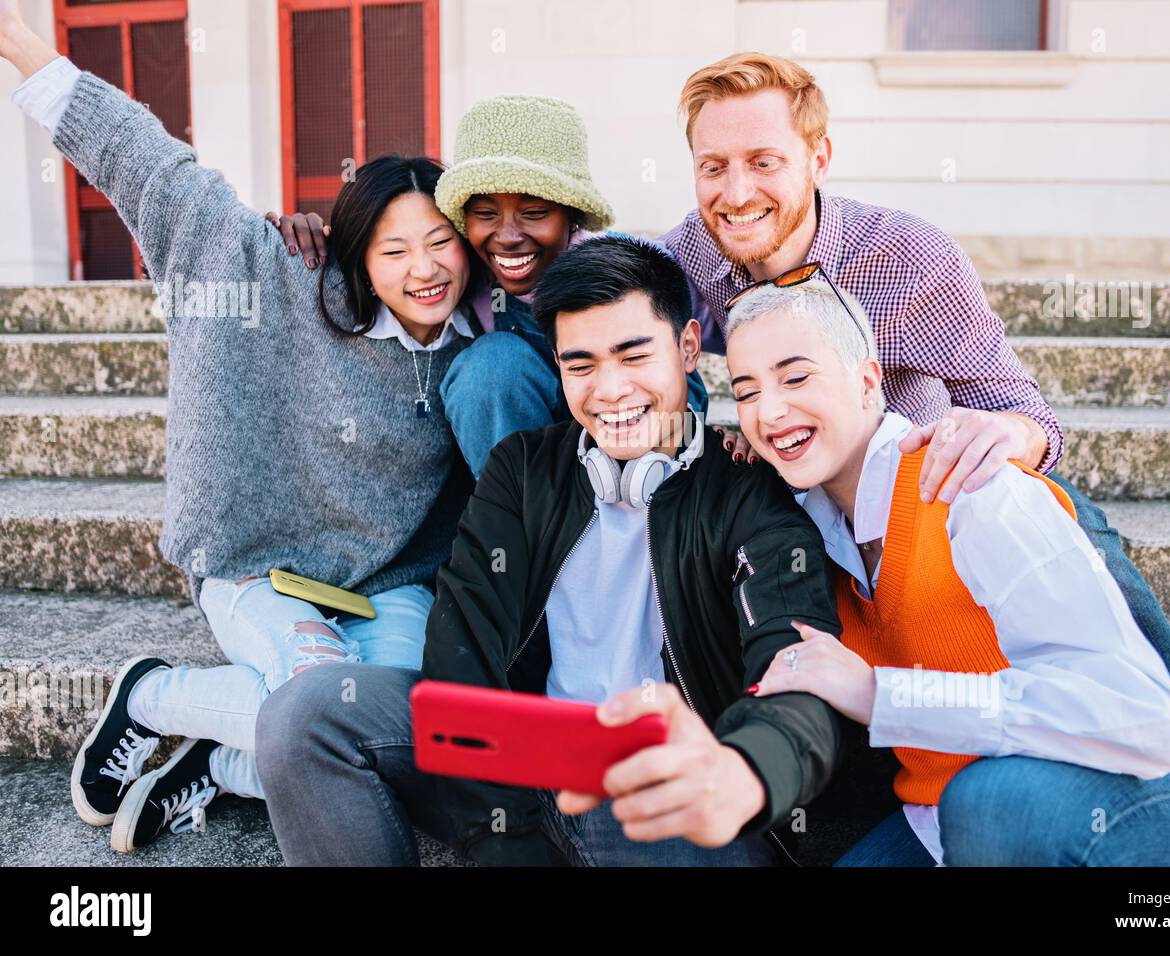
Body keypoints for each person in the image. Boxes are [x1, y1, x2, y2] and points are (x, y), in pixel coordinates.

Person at [0, 5, 479, 852]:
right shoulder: (273, 276)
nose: (424, 268)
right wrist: (18, 41)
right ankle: (154, 696)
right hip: (260, 566)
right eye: (395, 249)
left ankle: (217, 766)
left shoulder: (479, 341)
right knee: (320, 698)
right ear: (355, 252)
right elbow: (144, 160)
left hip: (391, 579)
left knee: (394, 722)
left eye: (440, 242)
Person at [254, 235, 850, 866]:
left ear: (687, 348)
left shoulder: (750, 494)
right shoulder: (524, 470)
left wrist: (744, 771)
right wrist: (505, 836)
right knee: (307, 713)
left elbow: (798, 678)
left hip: (678, 790)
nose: (610, 390)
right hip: (531, 774)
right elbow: (462, 652)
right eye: (581, 364)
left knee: (655, 785)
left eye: (632, 355)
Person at [658, 51, 1170, 693]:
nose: (737, 192)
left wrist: (1010, 437)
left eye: (764, 162)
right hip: (808, 506)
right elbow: (610, 305)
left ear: (818, 159)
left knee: (1071, 530)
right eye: (713, 168)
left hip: (937, 499)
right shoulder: (693, 249)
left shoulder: (910, 261)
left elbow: (1026, 412)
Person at [722, 276, 1170, 866]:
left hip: (1151, 787)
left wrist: (878, 693)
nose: (770, 410)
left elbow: (1140, 716)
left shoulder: (975, 487)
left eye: (796, 376)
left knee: (991, 802)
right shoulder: (798, 528)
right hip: (947, 818)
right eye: (747, 391)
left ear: (866, 381)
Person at [271, 94, 710, 476]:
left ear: (571, 215)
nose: (508, 236)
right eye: (485, 214)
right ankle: (523, 533)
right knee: (491, 369)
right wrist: (302, 236)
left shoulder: (624, 273)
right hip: (533, 480)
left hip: (639, 446)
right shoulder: (463, 271)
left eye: (534, 212)